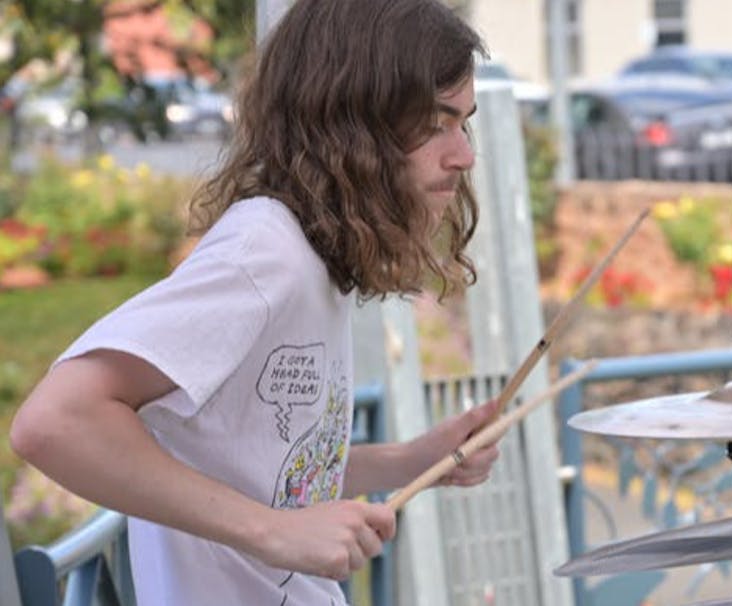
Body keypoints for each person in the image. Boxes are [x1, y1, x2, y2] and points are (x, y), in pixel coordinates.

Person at [9, 0, 499, 604]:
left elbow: (262, 471)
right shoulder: (266, 253)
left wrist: (413, 460)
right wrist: (273, 533)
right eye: (435, 123)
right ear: (352, 118)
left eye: (463, 122)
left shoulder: (315, 257)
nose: (464, 154)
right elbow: (54, 422)